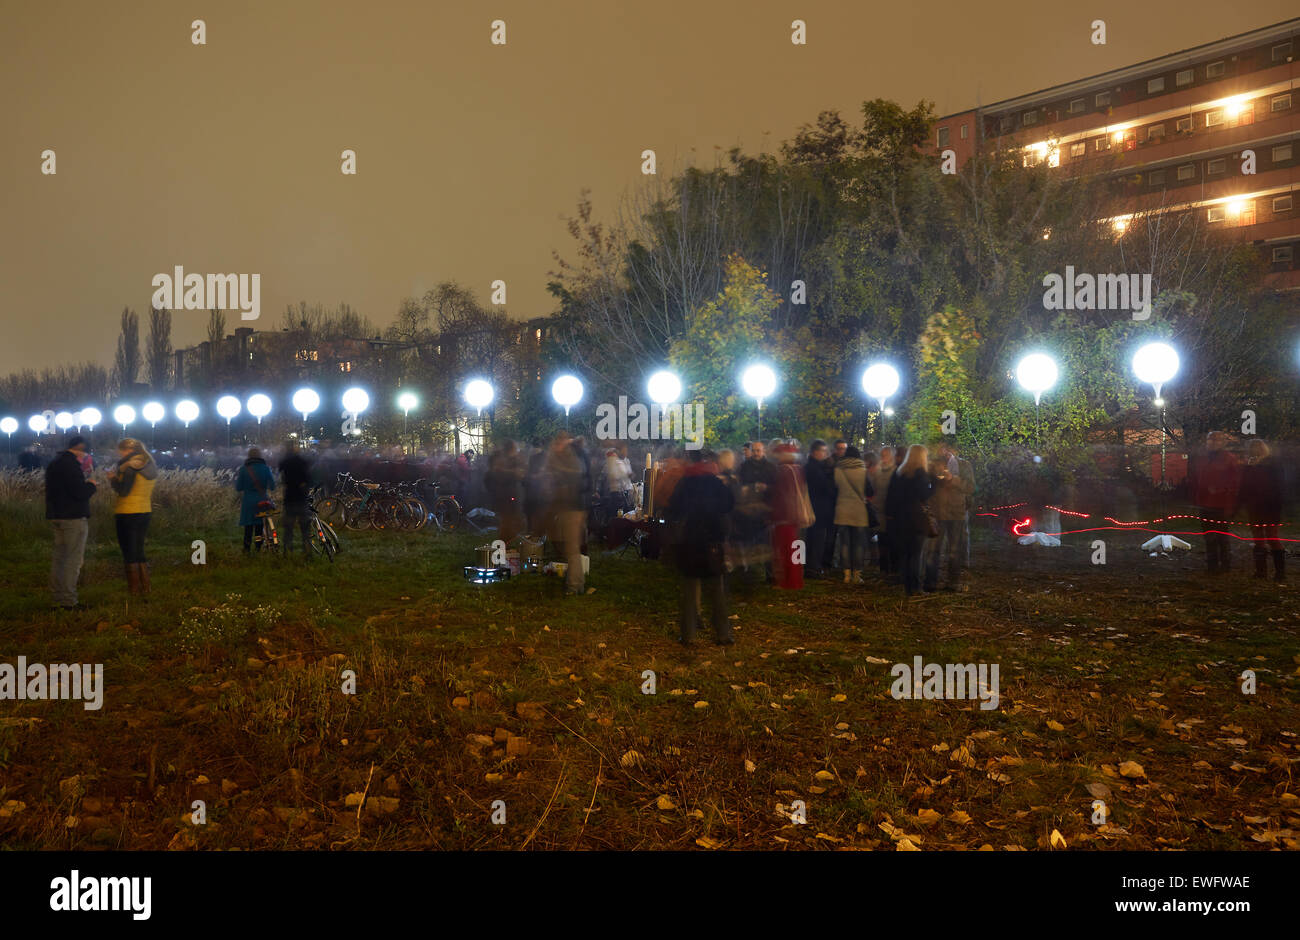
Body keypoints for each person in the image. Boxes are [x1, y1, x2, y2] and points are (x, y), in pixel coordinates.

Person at [666, 449, 735, 645]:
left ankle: (689, 635)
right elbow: (729, 505)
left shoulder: (685, 483)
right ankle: (723, 634)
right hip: (713, 541)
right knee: (717, 590)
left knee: (689, 590)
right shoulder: (716, 482)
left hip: (691, 541)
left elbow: (674, 507)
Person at [45, 435, 98, 609]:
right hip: (73, 517)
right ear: (80, 449)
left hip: (57, 516)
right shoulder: (71, 465)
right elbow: (79, 493)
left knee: (59, 558)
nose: (85, 459)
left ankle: (56, 597)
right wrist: (91, 485)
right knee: (72, 560)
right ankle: (68, 601)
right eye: (85, 455)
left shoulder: (55, 463)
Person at [107, 438, 158, 595]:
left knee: (129, 552)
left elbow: (123, 491)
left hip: (127, 512)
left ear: (127, 450)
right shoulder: (150, 464)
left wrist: (113, 479)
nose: (118, 454)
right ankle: (146, 587)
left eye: (120, 451)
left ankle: (134, 590)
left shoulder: (129, 467)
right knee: (139, 550)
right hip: (145, 511)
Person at [1189, 431, 1240, 574]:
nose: (1212, 442)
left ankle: (1225, 565)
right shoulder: (1201, 458)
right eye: (1210, 439)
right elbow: (1195, 479)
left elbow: (1235, 482)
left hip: (1221, 503)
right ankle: (1212, 565)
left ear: (1223, 442)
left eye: (1216, 440)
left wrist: (1222, 491)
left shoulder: (1229, 459)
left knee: (1222, 537)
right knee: (1209, 536)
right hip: (1205, 503)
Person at [886, 444, 934, 597]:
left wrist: (891, 515)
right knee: (916, 554)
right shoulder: (921, 475)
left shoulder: (899, 473)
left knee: (906, 553)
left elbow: (891, 496)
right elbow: (924, 495)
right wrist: (934, 484)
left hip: (901, 518)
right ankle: (916, 587)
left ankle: (907, 585)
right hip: (916, 518)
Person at [546, 431, 588, 596]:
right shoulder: (562, 457)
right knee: (566, 546)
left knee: (572, 548)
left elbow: (576, 475)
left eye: (558, 443)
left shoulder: (572, 457)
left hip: (573, 507)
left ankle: (574, 585)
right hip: (565, 507)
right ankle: (577, 583)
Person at [927, 442, 974, 591]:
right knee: (933, 550)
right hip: (938, 512)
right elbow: (926, 487)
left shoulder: (964, 465)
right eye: (941, 448)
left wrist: (953, 479)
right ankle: (930, 583)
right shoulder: (932, 465)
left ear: (952, 450)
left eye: (946, 448)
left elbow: (971, 487)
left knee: (954, 550)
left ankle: (953, 582)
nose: (944, 451)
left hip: (956, 513)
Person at [1239, 439, 1286, 582]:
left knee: (1272, 537)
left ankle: (1280, 573)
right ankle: (1261, 572)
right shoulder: (1249, 465)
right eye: (1253, 448)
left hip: (1270, 506)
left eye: (1258, 447)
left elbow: (1278, 486)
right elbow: (1245, 486)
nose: (1255, 450)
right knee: (1258, 539)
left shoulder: (1273, 465)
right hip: (1255, 507)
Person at [769, 443, 809, 590]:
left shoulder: (783, 471)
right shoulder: (797, 469)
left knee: (785, 550)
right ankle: (796, 580)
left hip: (784, 516)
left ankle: (787, 582)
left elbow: (780, 495)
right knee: (795, 550)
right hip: (795, 516)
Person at [833, 445, 872, 584]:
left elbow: (834, 489)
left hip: (842, 510)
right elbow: (870, 491)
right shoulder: (863, 470)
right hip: (859, 511)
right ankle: (857, 575)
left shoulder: (837, 470)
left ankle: (846, 575)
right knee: (858, 544)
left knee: (844, 544)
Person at [804, 440, 837, 579]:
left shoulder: (812, 467)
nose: (825, 454)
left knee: (813, 539)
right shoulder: (815, 469)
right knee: (817, 540)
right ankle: (814, 568)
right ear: (815, 452)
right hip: (818, 509)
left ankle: (811, 566)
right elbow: (825, 488)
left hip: (815, 508)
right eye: (823, 451)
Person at [236, 446, 277, 553]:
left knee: (248, 527)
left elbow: (238, 487)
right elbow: (272, 486)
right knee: (259, 525)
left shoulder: (244, 469)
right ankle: (258, 548)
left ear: (249, 456)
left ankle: (246, 549)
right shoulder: (266, 468)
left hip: (248, 501)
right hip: (262, 500)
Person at [279, 440, 314, 558]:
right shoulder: (302, 462)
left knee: (288, 528)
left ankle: (287, 551)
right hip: (301, 498)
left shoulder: (285, 462)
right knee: (305, 528)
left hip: (289, 498)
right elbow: (309, 478)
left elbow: (282, 476)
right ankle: (307, 550)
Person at [486, 440, 526, 543]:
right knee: (508, 521)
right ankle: (502, 545)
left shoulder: (511, 459)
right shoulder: (501, 460)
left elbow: (521, 474)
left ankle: (505, 544)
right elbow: (497, 472)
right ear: (511, 449)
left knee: (514, 521)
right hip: (505, 495)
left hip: (510, 494)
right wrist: (514, 472)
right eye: (515, 448)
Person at [872, 445, 897, 577]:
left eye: (885, 455)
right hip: (880, 511)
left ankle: (893, 568)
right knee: (882, 541)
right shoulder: (878, 471)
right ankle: (883, 568)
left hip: (892, 513)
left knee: (892, 541)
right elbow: (874, 489)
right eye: (882, 455)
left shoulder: (896, 471)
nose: (883, 457)